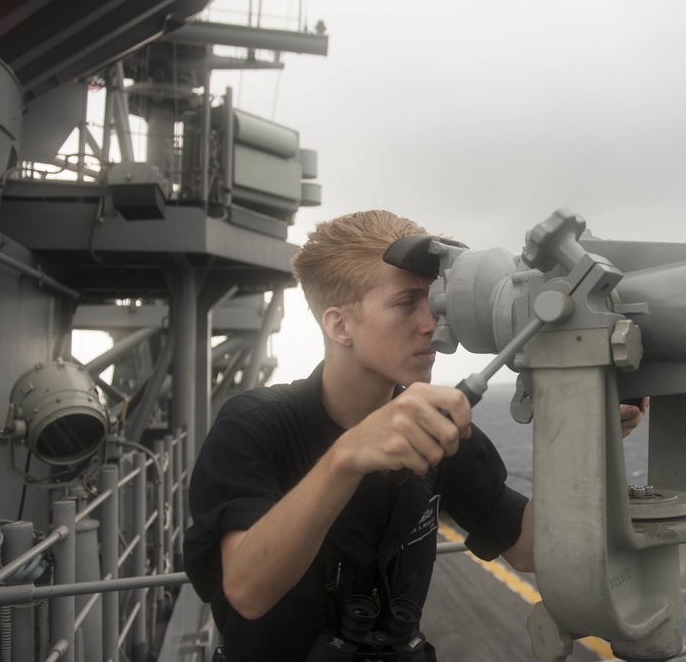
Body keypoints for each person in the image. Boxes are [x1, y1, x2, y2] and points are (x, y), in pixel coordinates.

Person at [183, 209, 648, 661]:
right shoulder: (255, 425)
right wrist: (347, 457)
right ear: (339, 324)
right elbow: (246, 592)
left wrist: (587, 438)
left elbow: (526, 547)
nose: (432, 322)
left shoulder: (437, 428)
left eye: (434, 300)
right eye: (406, 303)